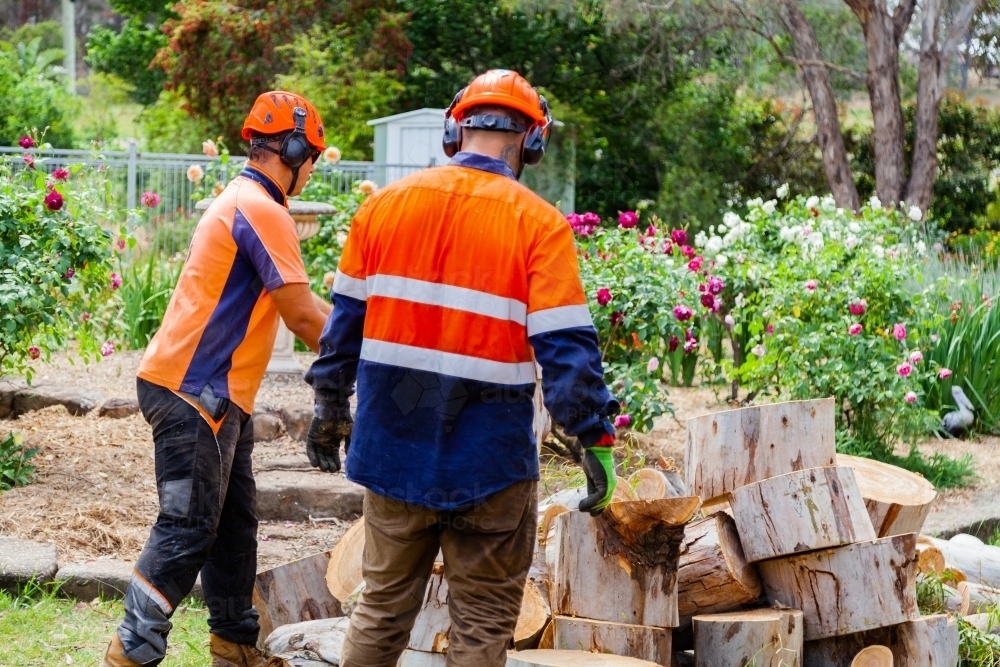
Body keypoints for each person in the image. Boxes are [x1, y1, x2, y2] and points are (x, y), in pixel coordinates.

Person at [304, 69, 620, 667]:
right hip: (492, 461)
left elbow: (342, 327)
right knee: (482, 626)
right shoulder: (540, 225)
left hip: (394, 450)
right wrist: (593, 437)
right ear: (531, 140)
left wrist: (328, 406)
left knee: (379, 614)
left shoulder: (382, 209)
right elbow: (567, 351)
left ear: (457, 129)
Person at [102, 91, 332, 667]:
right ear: (296, 149)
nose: (312, 169)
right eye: (314, 157)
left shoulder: (242, 198)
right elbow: (304, 318)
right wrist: (375, 348)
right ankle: (128, 652)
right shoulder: (263, 208)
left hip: (217, 394)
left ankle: (234, 646)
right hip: (194, 392)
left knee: (233, 527)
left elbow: (302, 308)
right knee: (187, 529)